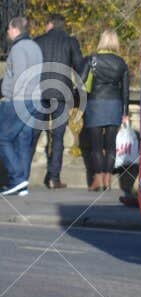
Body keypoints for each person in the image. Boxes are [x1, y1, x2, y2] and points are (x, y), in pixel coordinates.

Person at [33, 13, 84, 190]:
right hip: (62, 93)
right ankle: (54, 178)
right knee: (58, 137)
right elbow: (80, 66)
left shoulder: (38, 41)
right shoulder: (71, 42)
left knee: (33, 134)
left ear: (50, 25)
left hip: (40, 91)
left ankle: (22, 175)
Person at [80, 29, 130, 193]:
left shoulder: (92, 59)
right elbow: (125, 91)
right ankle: (108, 180)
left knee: (96, 147)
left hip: (95, 104)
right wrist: (125, 111)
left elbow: (80, 82)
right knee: (110, 146)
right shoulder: (121, 63)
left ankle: (98, 180)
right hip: (115, 105)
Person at [0, 17, 42, 197]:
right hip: (35, 99)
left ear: (15, 29)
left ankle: (17, 178)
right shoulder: (35, 47)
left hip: (19, 100)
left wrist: (10, 96)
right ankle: (22, 183)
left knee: (3, 138)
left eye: (8, 29)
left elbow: (19, 76)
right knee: (23, 142)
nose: (7, 33)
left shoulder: (18, 49)